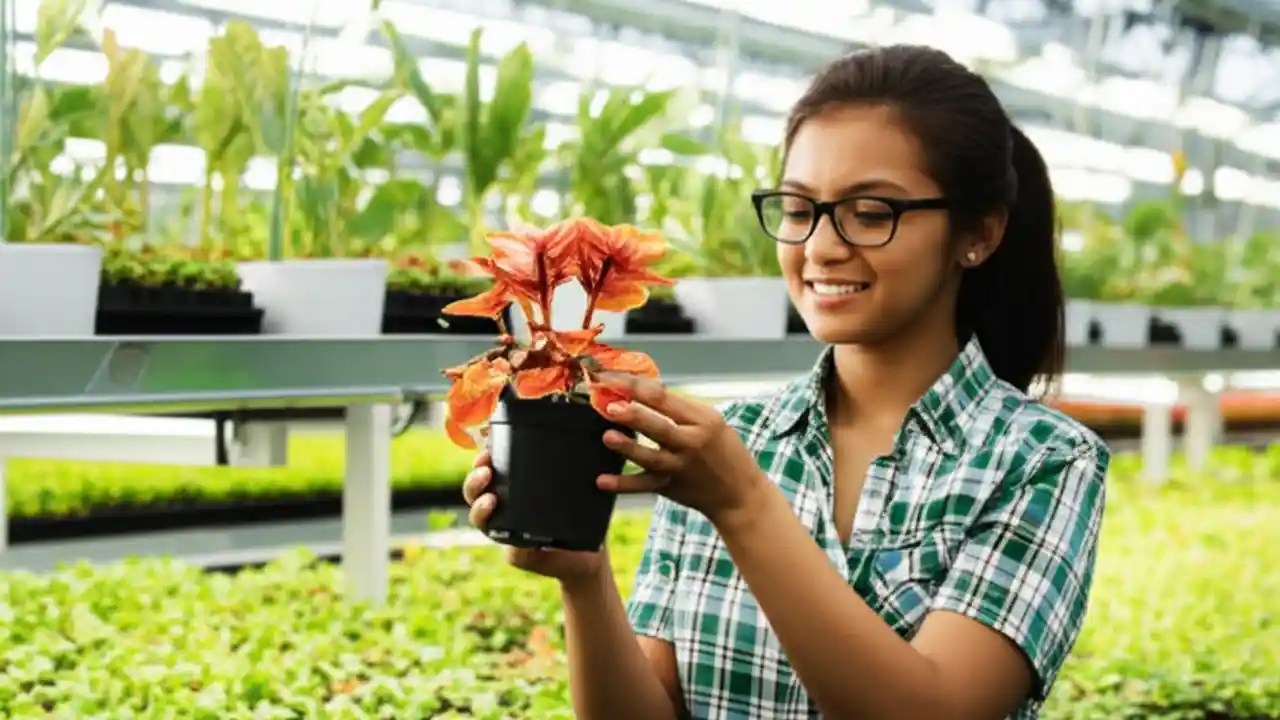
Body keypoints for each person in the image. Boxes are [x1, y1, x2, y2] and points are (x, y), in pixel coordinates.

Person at [462, 43, 1109, 720]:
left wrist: (741, 503)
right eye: (800, 210)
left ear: (976, 234)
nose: (822, 247)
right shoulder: (733, 439)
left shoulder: (1043, 458)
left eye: (871, 212)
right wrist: (584, 577)